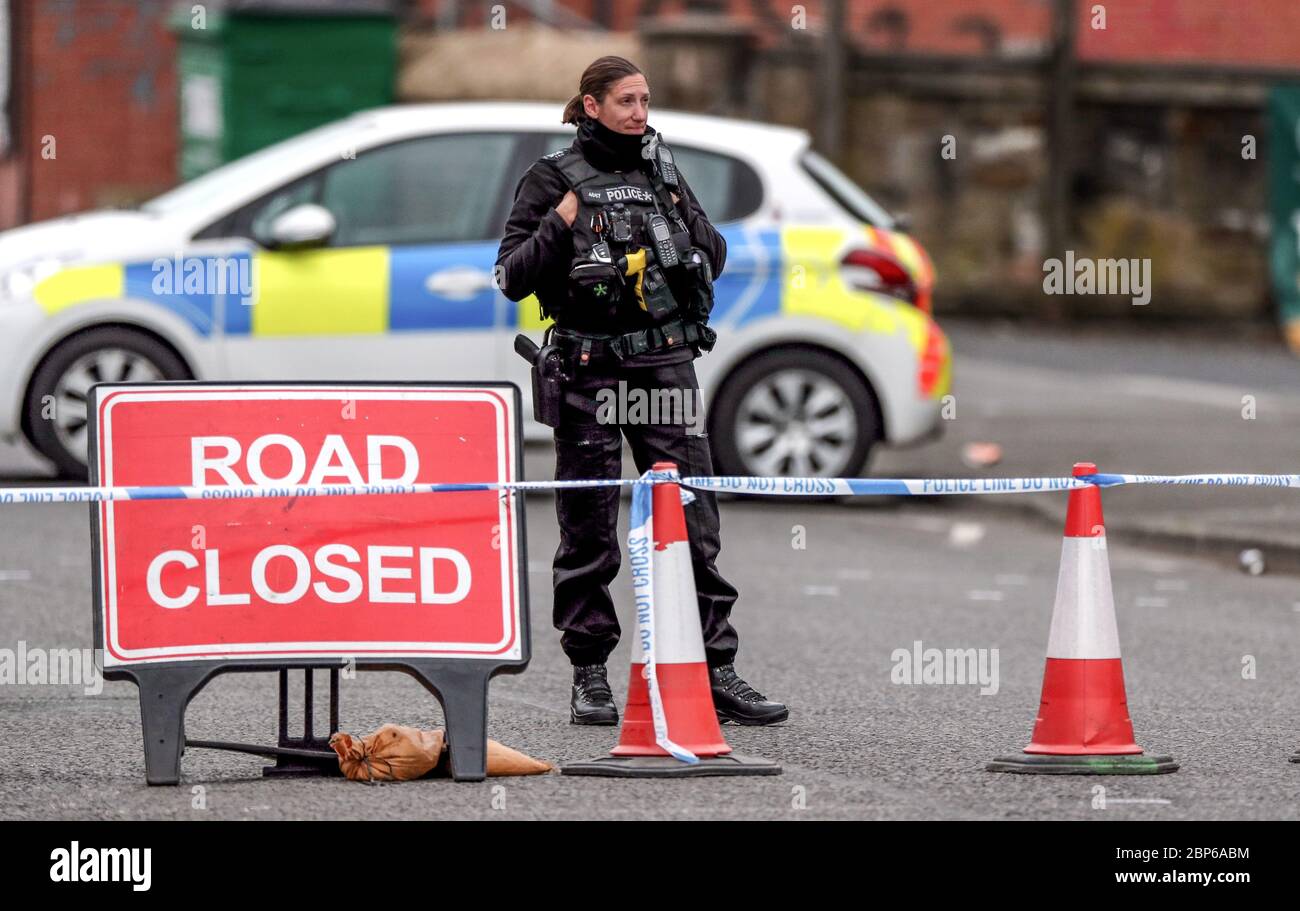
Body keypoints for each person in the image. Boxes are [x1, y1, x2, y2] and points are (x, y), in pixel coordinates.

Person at [495, 56, 787, 727]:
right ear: (591, 106)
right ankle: (590, 674)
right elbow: (511, 277)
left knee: (694, 522)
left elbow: (712, 254)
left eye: (646, 100)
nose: (640, 112)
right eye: (626, 100)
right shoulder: (552, 179)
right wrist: (561, 222)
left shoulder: (662, 170)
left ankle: (717, 669)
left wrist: (677, 199)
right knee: (589, 527)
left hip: (664, 367)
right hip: (588, 371)